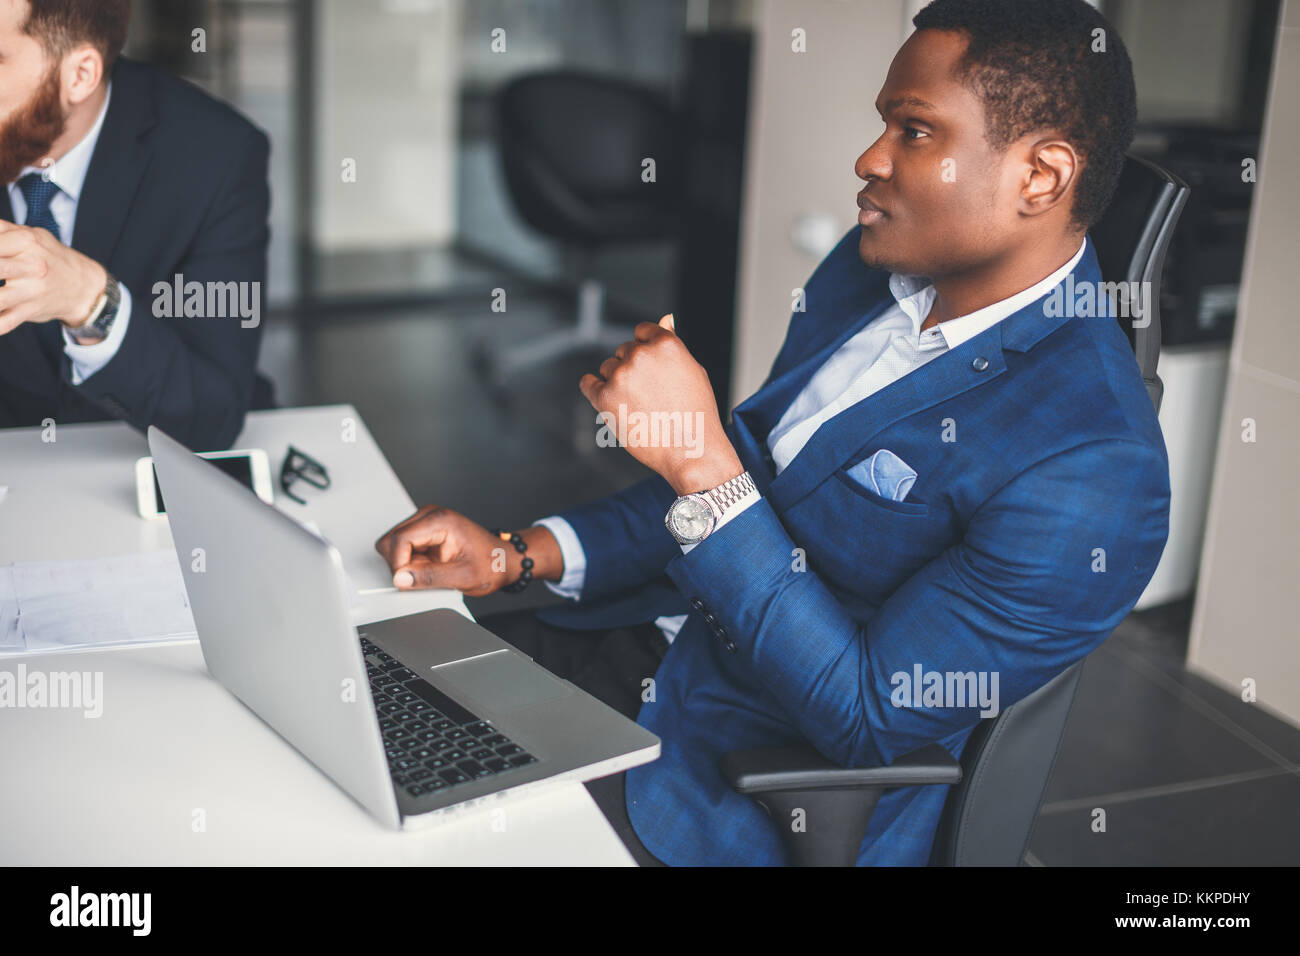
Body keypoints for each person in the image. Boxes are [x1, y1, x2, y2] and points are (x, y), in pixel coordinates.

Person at [375, 0, 1171, 866]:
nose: (869, 160)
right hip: (633, 643)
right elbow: (752, 476)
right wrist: (513, 555)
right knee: (363, 699)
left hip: (725, 789)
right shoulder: (870, 279)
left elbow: (870, 718)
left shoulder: (1095, 465)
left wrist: (698, 460)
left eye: (914, 131)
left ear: (1042, 178)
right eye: (884, 125)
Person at [0, 0, 272, 451]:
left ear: (80, 75)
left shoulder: (217, 157)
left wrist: (91, 300)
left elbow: (211, 411)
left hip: (141, 462)